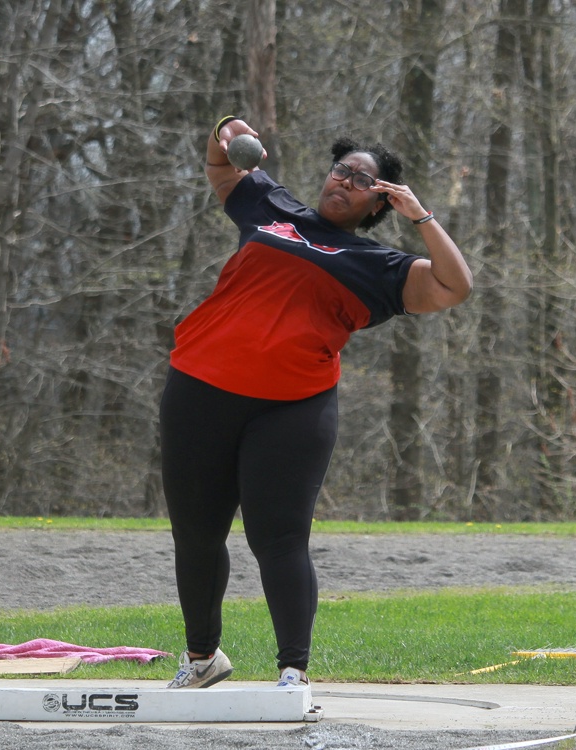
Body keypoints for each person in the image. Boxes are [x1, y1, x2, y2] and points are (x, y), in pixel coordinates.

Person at [160, 115, 472, 689]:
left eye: (361, 180)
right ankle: (203, 659)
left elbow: (456, 285)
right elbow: (220, 165)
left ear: (379, 203)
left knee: (276, 539)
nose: (344, 181)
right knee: (197, 534)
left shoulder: (381, 268)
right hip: (199, 386)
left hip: (290, 408)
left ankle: (292, 673)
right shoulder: (272, 208)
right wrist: (224, 127)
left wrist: (421, 216)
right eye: (340, 170)